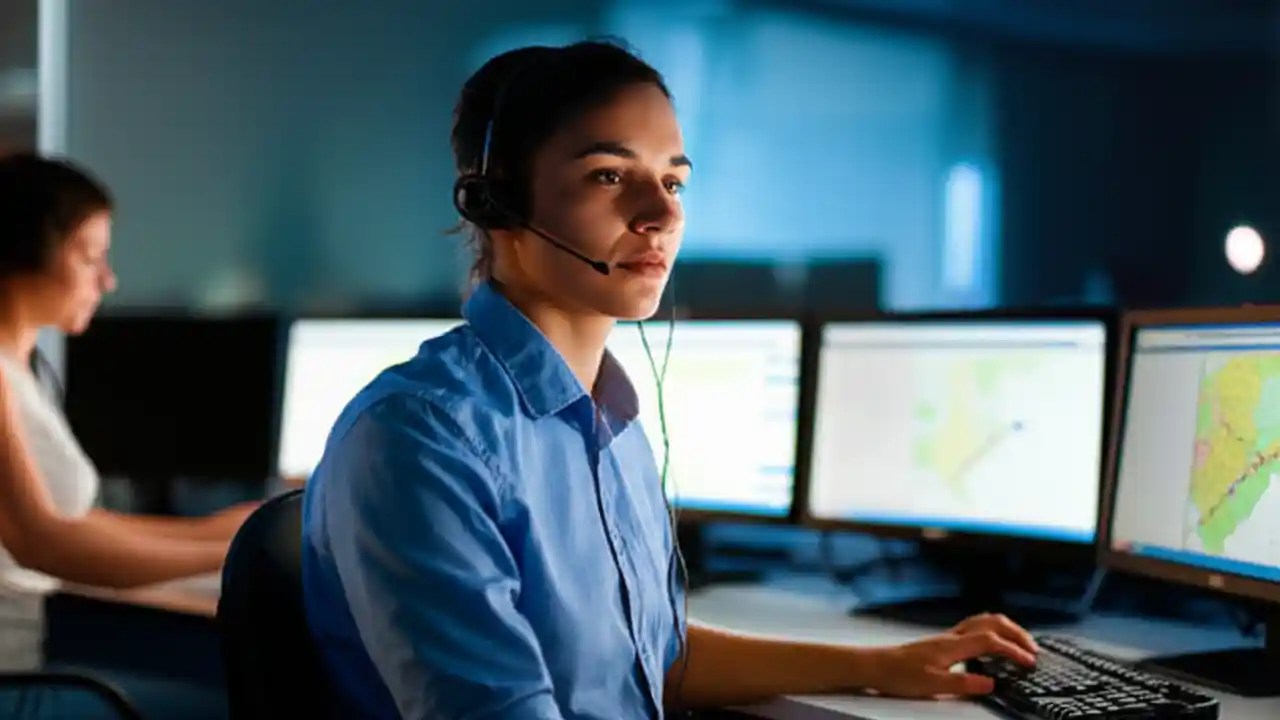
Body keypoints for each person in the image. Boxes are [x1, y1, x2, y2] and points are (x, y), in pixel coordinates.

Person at [301, 39, 1038, 719]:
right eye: (609, 175)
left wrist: (878, 665)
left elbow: (654, 659)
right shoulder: (420, 437)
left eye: (674, 182)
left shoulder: (609, 420)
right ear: (498, 203)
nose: (660, 214)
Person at [0, 154, 255, 710]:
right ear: (26, 249)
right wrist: (235, 551)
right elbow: (42, 540)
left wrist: (218, 532)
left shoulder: (25, 370)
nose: (108, 279)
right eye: (91, 257)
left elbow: (72, 521)